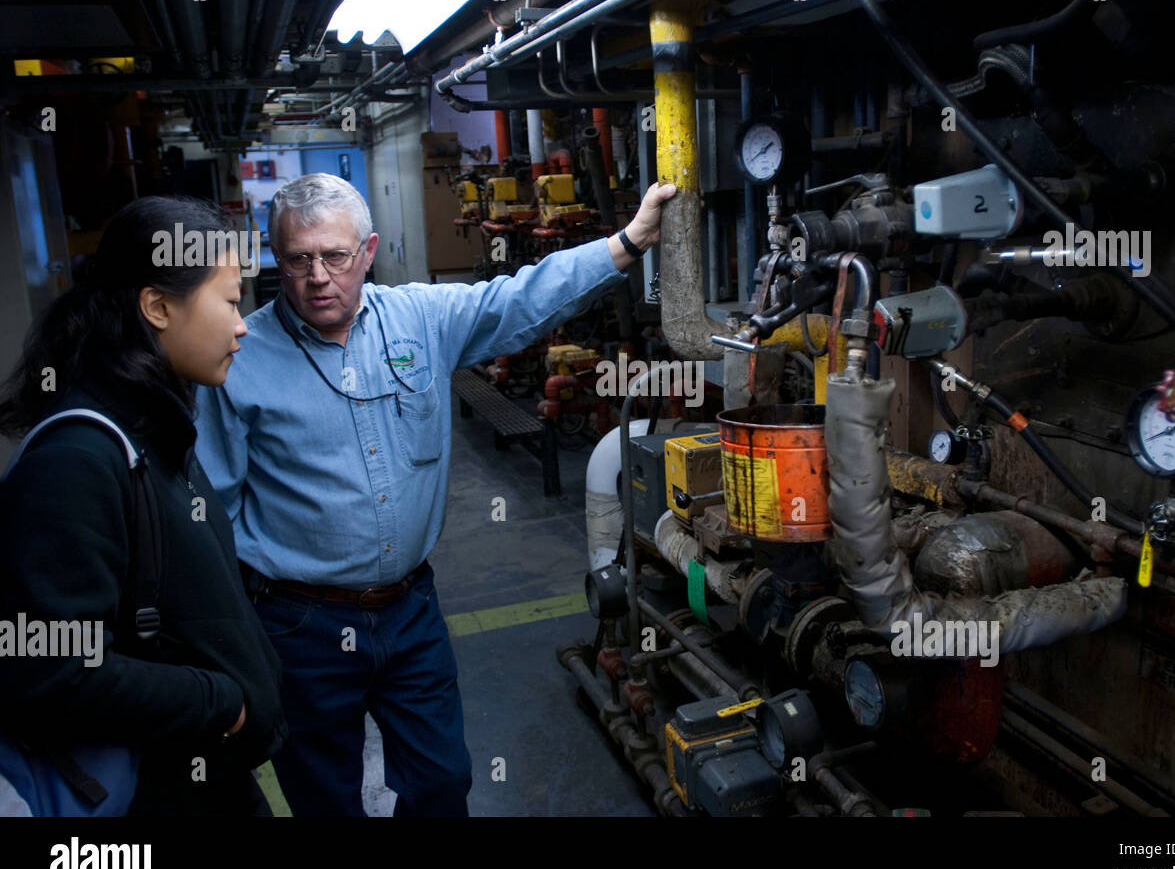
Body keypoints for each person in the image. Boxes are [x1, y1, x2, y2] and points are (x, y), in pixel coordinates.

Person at [193, 172, 675, 816]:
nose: (317, 277)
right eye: (297, 259)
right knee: (323, 798)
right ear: (275, 259)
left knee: (442, 783)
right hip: (298, 625)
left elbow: (522, 298)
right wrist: (232, 647)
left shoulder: (419, 319)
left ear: (367, 252)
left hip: (410, 611)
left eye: (335, 257)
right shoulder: (238, 360)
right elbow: (212, 515)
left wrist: (629, 241)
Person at [0, 195, 287, 816]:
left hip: (205, 777)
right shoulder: (78, 460)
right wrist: (219, 701)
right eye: (231, 300)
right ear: (158, 307)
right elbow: (51, 667)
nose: (243, 323)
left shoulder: (155, 429)